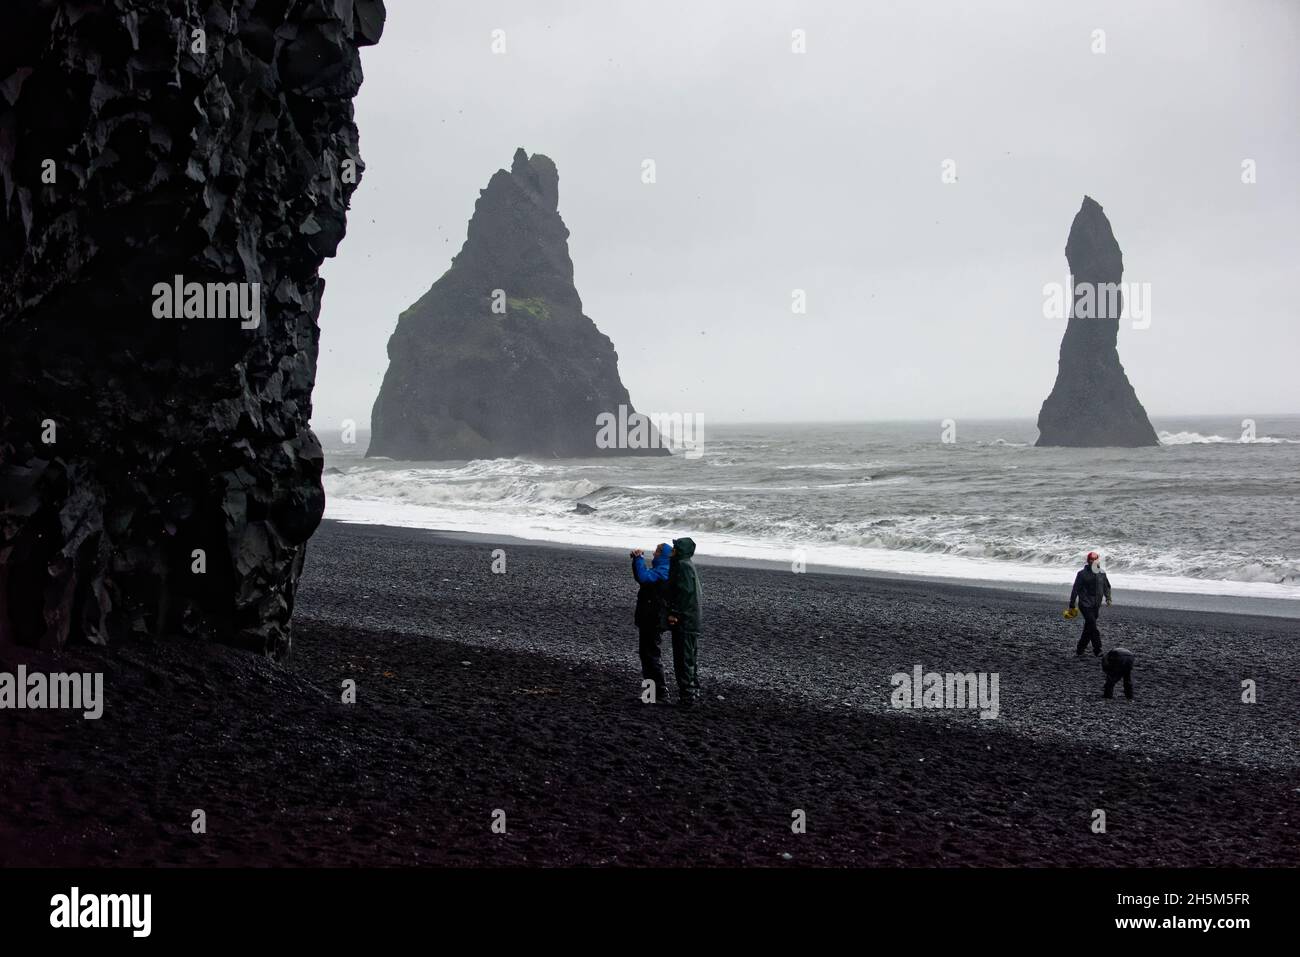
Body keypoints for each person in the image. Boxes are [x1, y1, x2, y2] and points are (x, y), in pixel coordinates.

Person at [631, 543, 672, 703]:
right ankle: (650, 693)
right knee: (647, 655)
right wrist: (636, 561)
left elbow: (643, 578)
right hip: (650, 618)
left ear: (663, 555)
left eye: (657, 551)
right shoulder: (663, 569)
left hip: (652, 619)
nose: (654, 553)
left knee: (651, 655)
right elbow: (642, 578)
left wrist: (639, 559)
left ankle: (659, 693)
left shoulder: (663, 571)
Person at [666, 537, 702, 706]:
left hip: (685, 620)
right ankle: (692, 691)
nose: (672, 550)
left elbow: (684, 593)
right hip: (691, 619)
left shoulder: (682, 566)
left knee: (683, 658)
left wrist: (674, 613)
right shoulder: (687, 564)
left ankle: (688, 696)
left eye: (675, 547)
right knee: (689, 657)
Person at [1068, 550, 1112, 656]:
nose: (1093, 561)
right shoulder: (1082, 574)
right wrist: (1072, 604)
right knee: (1093, 626)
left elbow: (1107, 586)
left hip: (1096, 605)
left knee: (1088, 627)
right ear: (1088, 561)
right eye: (1091, 559)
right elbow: (1075, 589)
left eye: (1095, 559)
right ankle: (1097, 649)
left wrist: (1108, 598)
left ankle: (1080, 649)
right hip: (1085, 604)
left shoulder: (1102, 573)